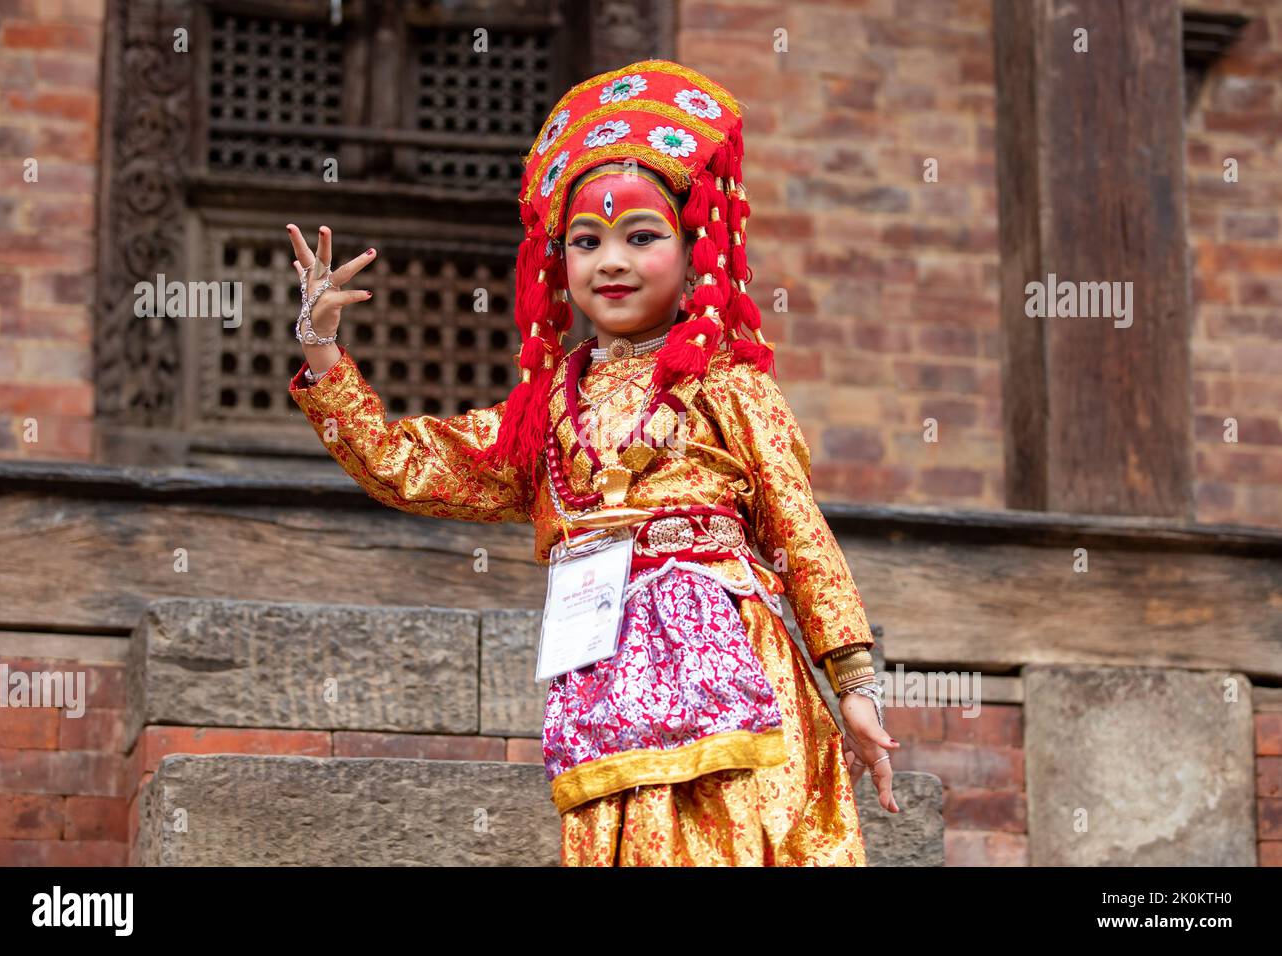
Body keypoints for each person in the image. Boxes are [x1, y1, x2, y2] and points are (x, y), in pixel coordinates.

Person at [284, 59, 899, 866]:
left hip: (736, 688)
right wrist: (323, 353)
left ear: (692, 253)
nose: (610, 261)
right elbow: (411, 463)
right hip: (602, 676)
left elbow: (799, 532)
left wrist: (853, 684)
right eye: (586, 241)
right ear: (559, 263)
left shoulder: (732, 386)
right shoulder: (543, 412)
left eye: (641, 237)